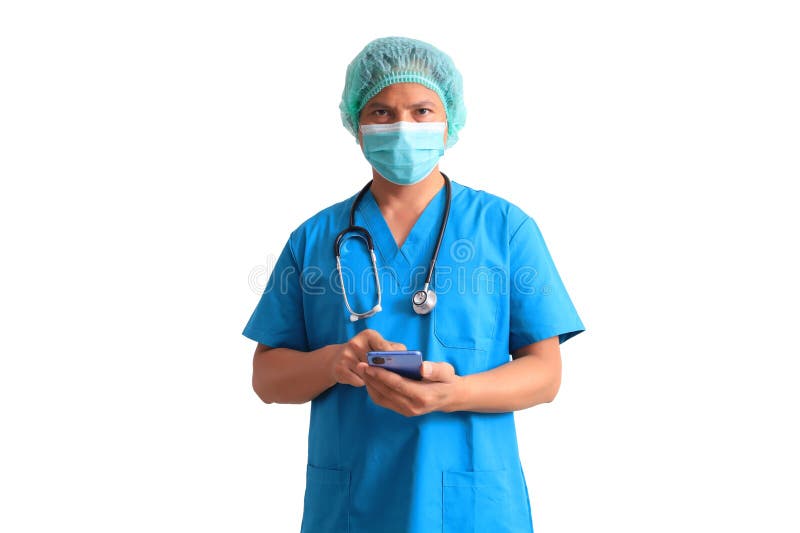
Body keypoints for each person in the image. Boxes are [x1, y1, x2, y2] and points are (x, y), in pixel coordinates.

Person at [243, 36, 585, 533]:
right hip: (355, 506)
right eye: (381, 112)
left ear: (450, 121)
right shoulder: (315, 239)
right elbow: (267, 377)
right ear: (356, 124)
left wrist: (454, 394)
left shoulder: (504, 230)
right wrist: (334, 361)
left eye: (422, 110)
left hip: (472, 508)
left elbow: (546, 374)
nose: (403, 127)